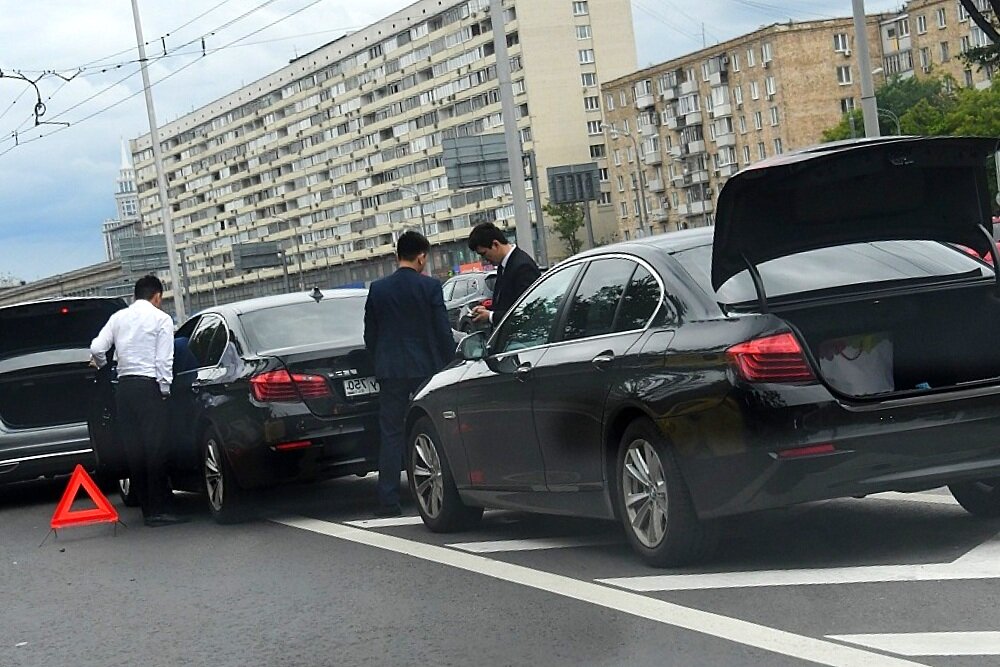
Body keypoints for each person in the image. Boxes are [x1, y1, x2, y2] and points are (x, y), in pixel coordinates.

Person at [364, 231, 455, 517]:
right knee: (432, 429)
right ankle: (439, 488)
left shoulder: (378, 289)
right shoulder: (429, 287)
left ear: (397, 257)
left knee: (391, 433)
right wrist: (450, 362)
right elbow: (442, 331)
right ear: (422, 257)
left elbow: (371, 334)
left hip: (390, 370)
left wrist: (380, 361)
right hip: (425, 369)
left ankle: (388, 501)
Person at [90, 275, 188, 527]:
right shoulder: (161, 319)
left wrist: (104, 368)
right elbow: (164, 360)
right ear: (157, 296)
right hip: (149, 388)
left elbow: (97, 348)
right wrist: (164, 390)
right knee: (156, 450)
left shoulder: (118, 318)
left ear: (136, 295)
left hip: (124, 389)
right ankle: (160, 510)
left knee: (135, 450)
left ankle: (147, 509)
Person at [468, 222, 541, 327]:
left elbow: (526, 312)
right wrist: (487, 310)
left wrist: (490, 316)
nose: (485, 260)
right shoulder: (503, 266)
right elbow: (506, 305)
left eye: (484, 254)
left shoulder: (523, 267)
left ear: (495, 244)